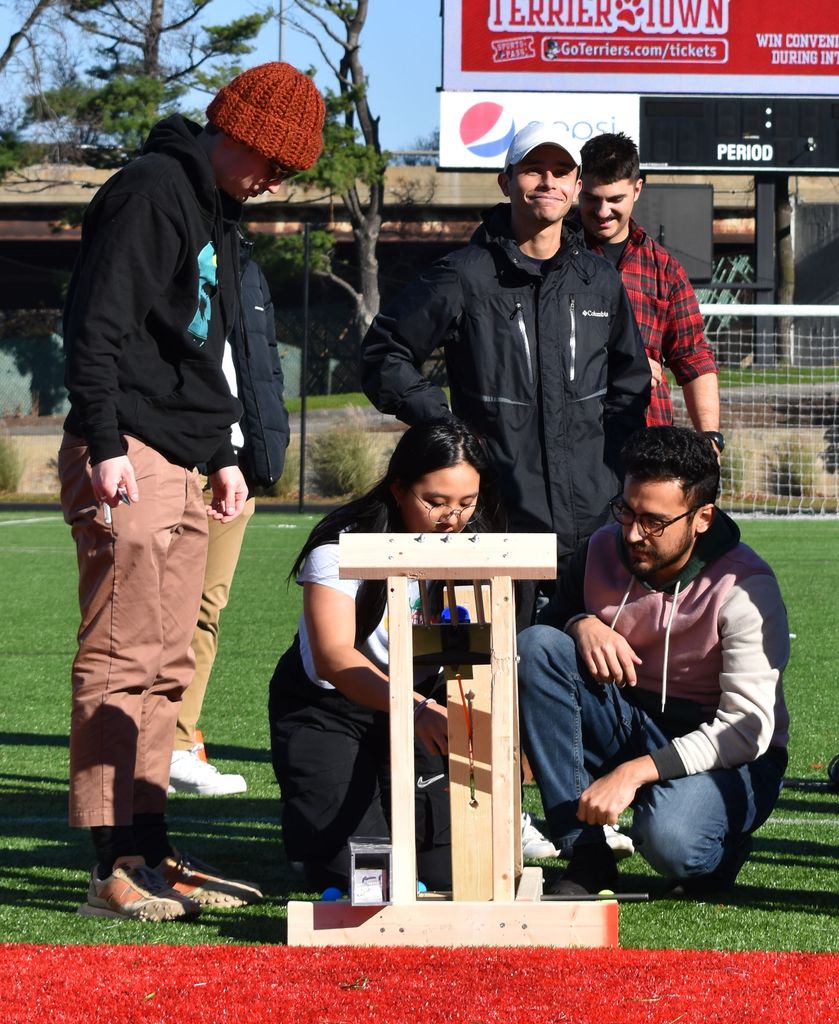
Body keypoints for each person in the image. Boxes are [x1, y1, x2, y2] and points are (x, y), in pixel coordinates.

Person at [58, 62, 325, 921]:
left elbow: (195, 352)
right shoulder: (154, 188)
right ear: (234, 128)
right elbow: (98, 321)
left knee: (170, 665)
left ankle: (150, 842)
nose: (276, 177)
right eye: (271, 159)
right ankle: (110, 864)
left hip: (183, 454)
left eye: (289, 168)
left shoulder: (217, 207)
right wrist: (103, 442)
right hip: (127, 448)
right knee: (119, 659)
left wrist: (221, 452)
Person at [361, 119, 651, 586]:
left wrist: (611, 470)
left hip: (592, 528)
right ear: (506, 180)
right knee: (496, 657)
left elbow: (630, 384)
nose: (548, 181)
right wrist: (447, 427)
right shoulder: (463, 275)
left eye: (562, 170)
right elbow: (383, 353)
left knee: (583, 655)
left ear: (578, 185)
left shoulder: (599, 280)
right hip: (496, 524)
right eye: (534, 168)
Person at [517, 426, 790, 896]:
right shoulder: (601, 547)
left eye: (654, 521)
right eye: (626, 510)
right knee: (539, 646)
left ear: (702, 516)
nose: (633, 533)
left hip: (729, 755)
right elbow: (546, 635)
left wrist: (634, 771)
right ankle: (586, 856)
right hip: (632, 720)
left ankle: (720, 848)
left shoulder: (747, 588)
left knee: (672, 842)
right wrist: (579, 622)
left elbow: (746, 729)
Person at [268, 420, 505, 893]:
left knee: (446, 872)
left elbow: (476, 652)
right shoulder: (340, 547)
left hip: (420, 702)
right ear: (399, 489)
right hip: (331, 709)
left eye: (466, 503)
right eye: (434, 502)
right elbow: (334, 657)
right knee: (368, 874)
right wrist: (413, 709)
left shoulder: (476, 544)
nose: (451, 518)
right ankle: (323, 841)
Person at [169, 240, 290, 796]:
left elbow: (259, 364)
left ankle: (175, 741)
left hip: (234, 462)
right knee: (146, 614)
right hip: (167, 451)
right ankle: (144, 746)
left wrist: (260, 450)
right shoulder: (162, 234)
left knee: (204, 610)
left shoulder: (243, 258)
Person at [578, 132, 722, 446]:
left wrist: (711, 439)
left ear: (637, 189)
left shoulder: (664, 268)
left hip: (646, 440)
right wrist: (627, 364)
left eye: (615, 199)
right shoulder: (556, 255)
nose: (603, 212)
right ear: (578, 187)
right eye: (592, 198)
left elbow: (693, 358)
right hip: (573, 441)